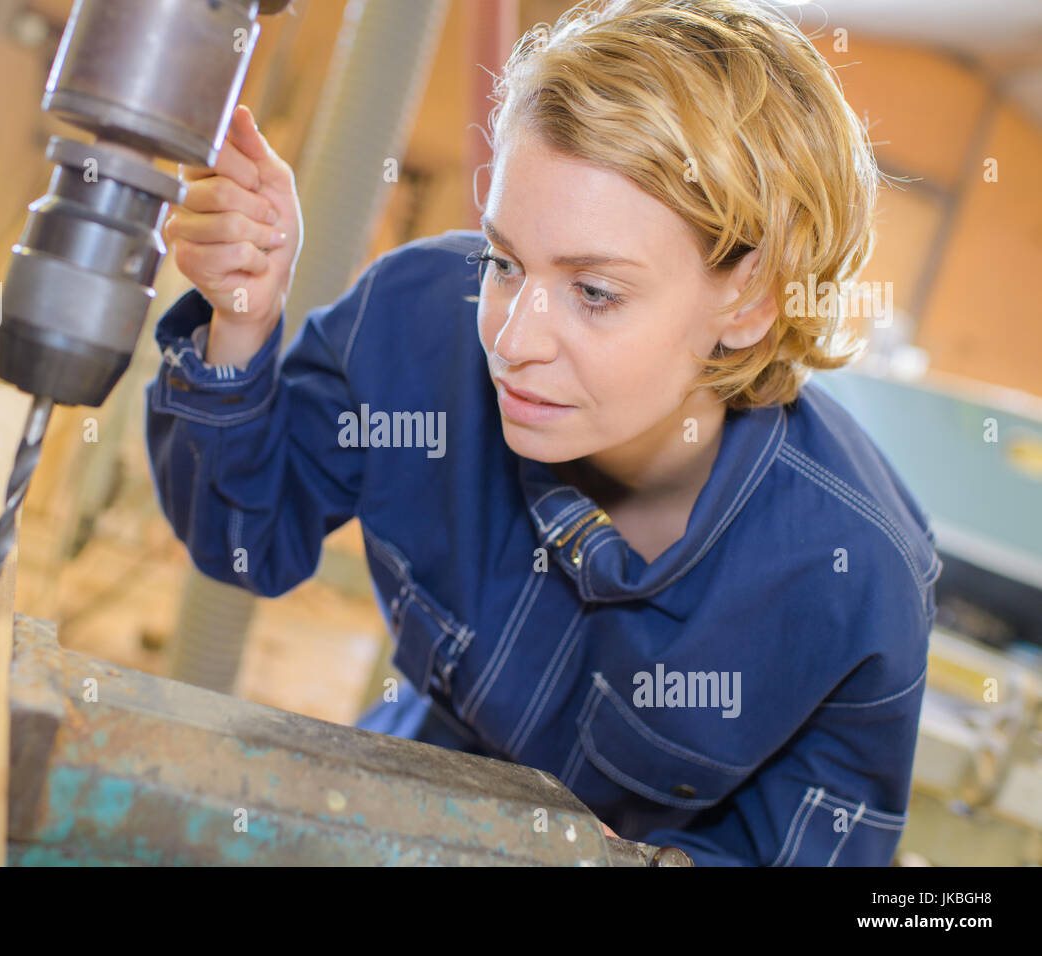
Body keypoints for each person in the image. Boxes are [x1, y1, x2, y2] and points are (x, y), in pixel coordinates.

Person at [145, 0, 941, 866]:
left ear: (751, 300)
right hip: (392, 804)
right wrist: (241, 326)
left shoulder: (852, 578)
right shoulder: (416, 323)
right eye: (505, 262)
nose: (513, 341)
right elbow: (240, 539)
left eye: (595, 293)